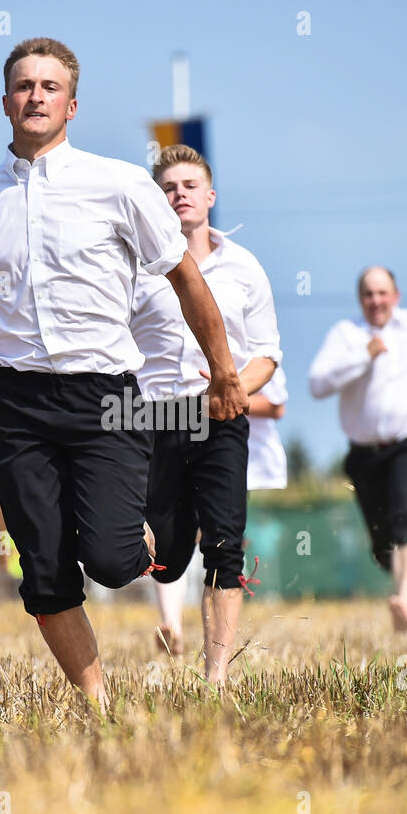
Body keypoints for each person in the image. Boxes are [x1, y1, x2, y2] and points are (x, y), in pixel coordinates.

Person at [0, 37, 246, 708]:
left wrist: (222, 371)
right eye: (23, 86)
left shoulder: (121, 185)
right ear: (5, 102)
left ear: (72, 105)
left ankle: (137, 530)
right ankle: (98, 706)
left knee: (108, 557)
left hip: (104, 397)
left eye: (49, 87)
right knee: (43, 569)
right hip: (16, 403)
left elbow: (187, 279)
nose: (35, 96)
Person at [129, 144, 282, 681]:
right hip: (153, 419)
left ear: (210, 196)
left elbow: (267, 352)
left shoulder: (244, 267)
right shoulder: (135, 268)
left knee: (224, 544)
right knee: (165, 552)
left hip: (219, 418)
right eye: (168, 188)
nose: (179, 196)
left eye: (189, 186)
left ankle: (216, 675)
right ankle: (168, 596)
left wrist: (233, 385)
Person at [308, 266, 407, 631]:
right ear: (360, 299)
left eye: (382, 293)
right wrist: (362, 356)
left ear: (396, 296)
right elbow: (317, 384)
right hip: (365, 453)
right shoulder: (346, 335)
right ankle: (402, 588)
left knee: (406, 513)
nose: (376, 301)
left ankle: (406, 595)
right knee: (384, 546)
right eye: (368, 294)